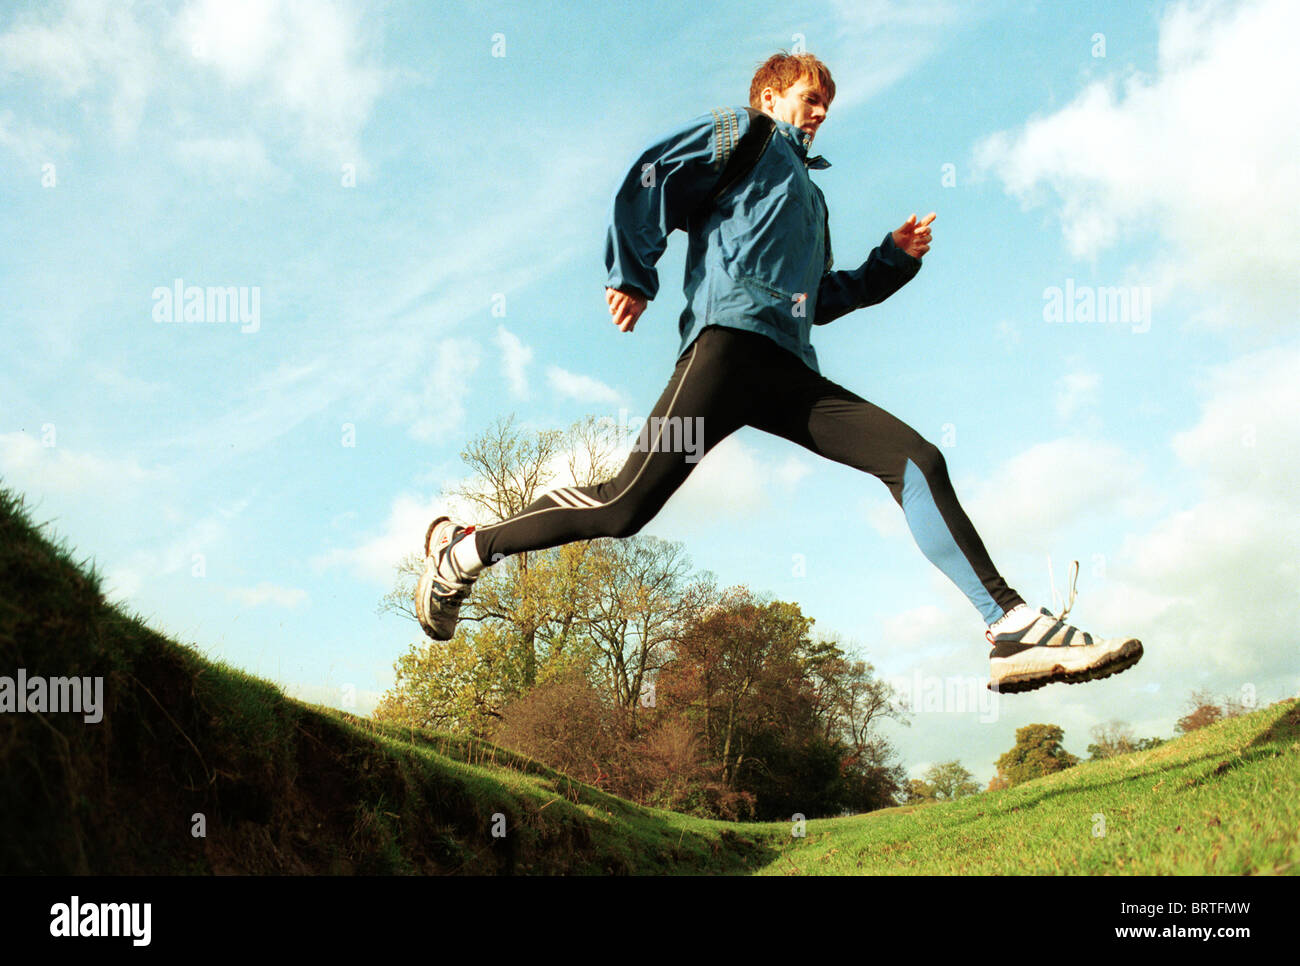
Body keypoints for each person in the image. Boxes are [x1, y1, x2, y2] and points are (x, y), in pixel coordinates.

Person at [415, 52, 1142, 694]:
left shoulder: (813, 200)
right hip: (726, 350)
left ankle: (1007, 621)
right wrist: (633, 271)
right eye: (810, 95)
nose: (821, 110)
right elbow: (652, 173)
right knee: (623, 509)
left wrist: (891, 259)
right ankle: (464, 550)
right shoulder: (746, 134)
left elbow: (821, 300)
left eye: (829, 102)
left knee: (917, 460)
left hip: (789, 371)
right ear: (771, 97)